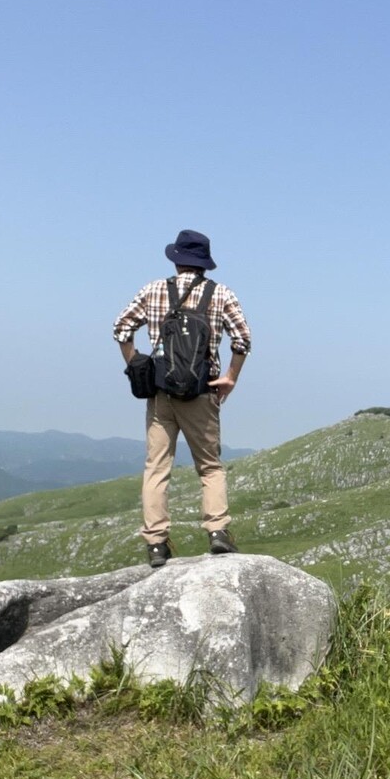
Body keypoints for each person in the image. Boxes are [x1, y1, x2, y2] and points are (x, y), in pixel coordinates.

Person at [113, 230, 252, 567]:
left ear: (176, 259)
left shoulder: (154, 290)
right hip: (202, 391)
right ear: (205, 264)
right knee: (209, 466)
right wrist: (230, 377)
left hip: (161, 393)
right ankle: (217, 532)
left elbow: (121, 328)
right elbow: (243, 340)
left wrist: (136, 365)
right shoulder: (221, 295)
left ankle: (157, 544)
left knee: (157, 467)